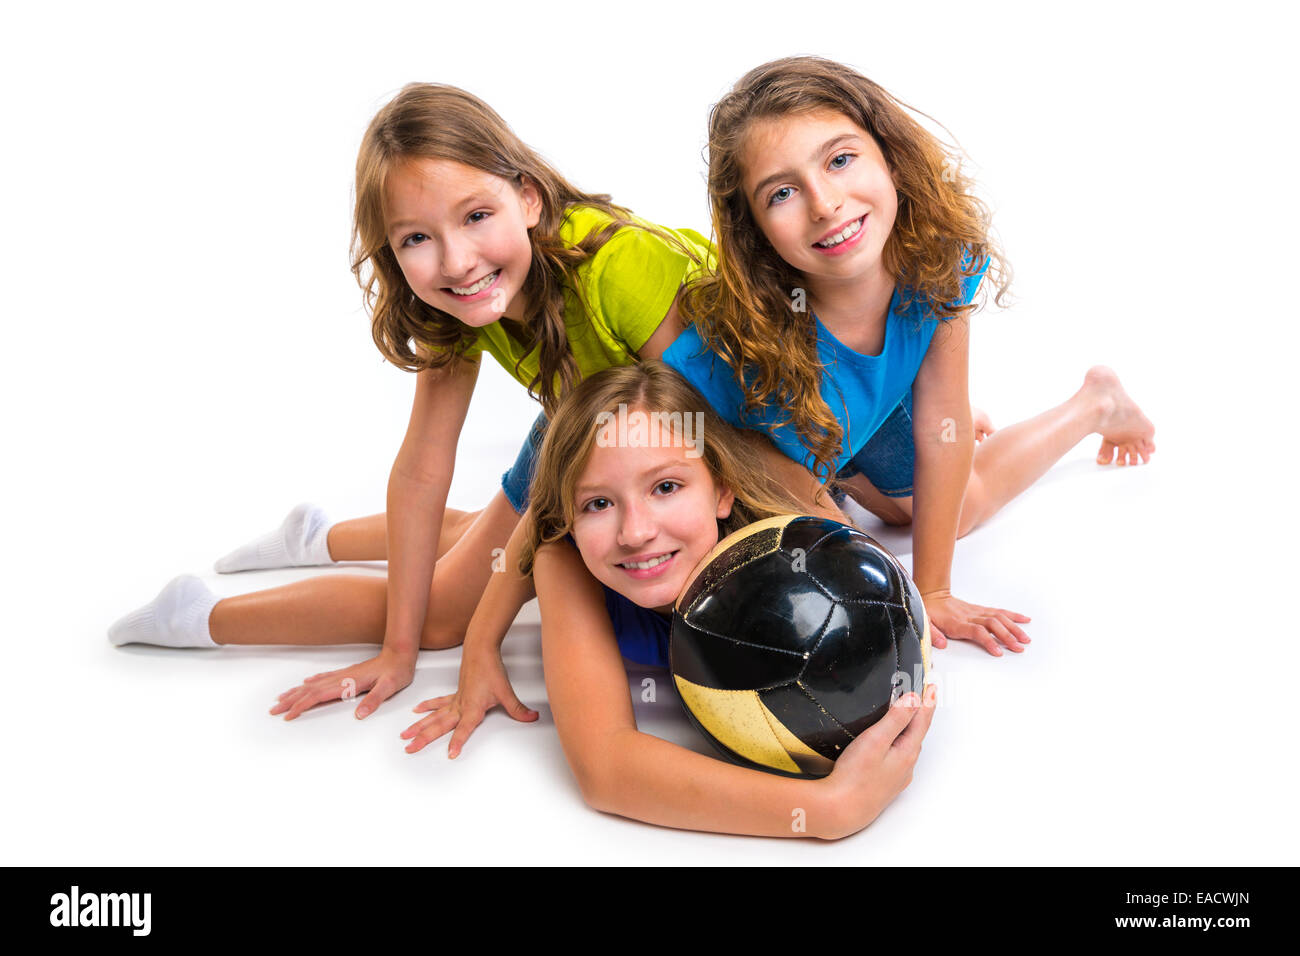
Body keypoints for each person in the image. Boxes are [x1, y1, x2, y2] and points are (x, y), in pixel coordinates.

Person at [105, 83, 769, 726]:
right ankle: (200, 613)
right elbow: (424, 465)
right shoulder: (452, 303)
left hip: (672, 434)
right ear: (392, 252)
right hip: (586, 434)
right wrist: (401, 651)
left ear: (528, 199)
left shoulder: (619, 266)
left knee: (492, 552)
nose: (457, 262)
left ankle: (316, 538)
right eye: (416, 239)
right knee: (437, 618)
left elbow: (707, 427)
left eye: (477, 215)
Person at [663, 56, 1158, 658]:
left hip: (849, 424)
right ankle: (870, 449)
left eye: (840, 159)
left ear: (889, 155)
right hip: (787, 459)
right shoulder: (737, 347)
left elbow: (941, 422)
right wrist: (899, 593)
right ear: (753, 229)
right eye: (783, 192)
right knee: (887, 530)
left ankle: (1095, 401)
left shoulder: (936, 262)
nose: (825, 204)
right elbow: (796, 497)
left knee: (956, 507)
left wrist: (936, 587)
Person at [484, 360, 936, 838]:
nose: (636, 532)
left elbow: (883, 606)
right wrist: (825, 809)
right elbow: (605, 767)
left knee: (936, 502)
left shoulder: (795, 556)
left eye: (666, 487)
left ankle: (1021, 435)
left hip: (835, 468)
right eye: (598, 503)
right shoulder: (565, 560)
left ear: (722, 490)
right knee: (449, 580)